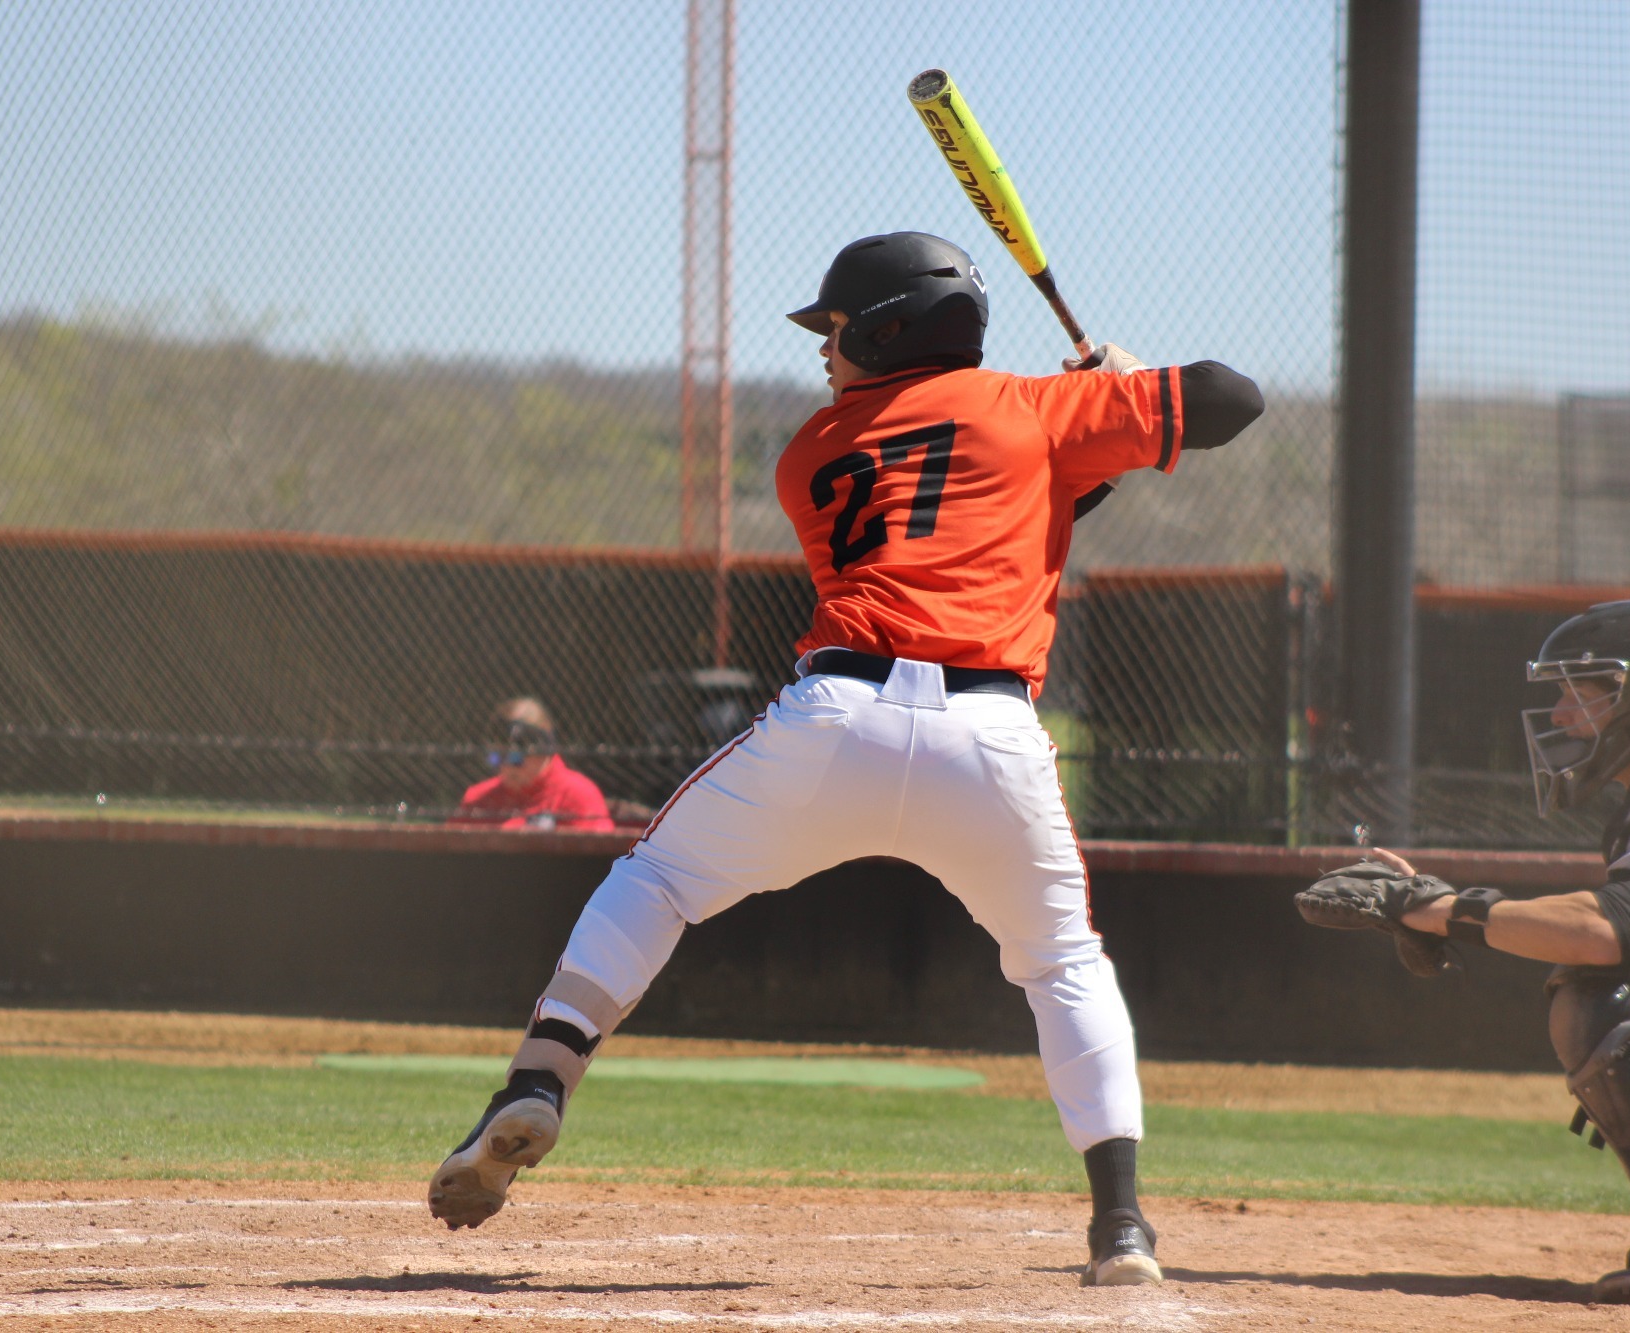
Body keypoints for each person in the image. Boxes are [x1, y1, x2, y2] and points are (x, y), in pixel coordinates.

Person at [426, 231, 1264, 1285]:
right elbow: (1229, 399)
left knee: (658, 879)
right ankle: (1122, 1227)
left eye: (833, 328)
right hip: (993, 740)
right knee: (1061, 962)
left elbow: (997, 500)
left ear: (885, 328)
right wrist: (1122, 388)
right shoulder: (1037, 413)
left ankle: (535, 1083)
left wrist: (1087, 418)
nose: (823, 349)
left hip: (836, 720)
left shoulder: (811, 451)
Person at [1297, 597, 1630, 1312]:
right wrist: (1440, 909)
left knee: (1608, 995)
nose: (1566, 713)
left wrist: (1431, 908)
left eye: (1586, 691)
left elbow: (1603, 929)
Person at [449, 698, 614, 833]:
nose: (507, 767)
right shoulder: (477, 800)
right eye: (498, 758)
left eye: (515, 758)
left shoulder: (578, 795)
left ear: (543, 752)